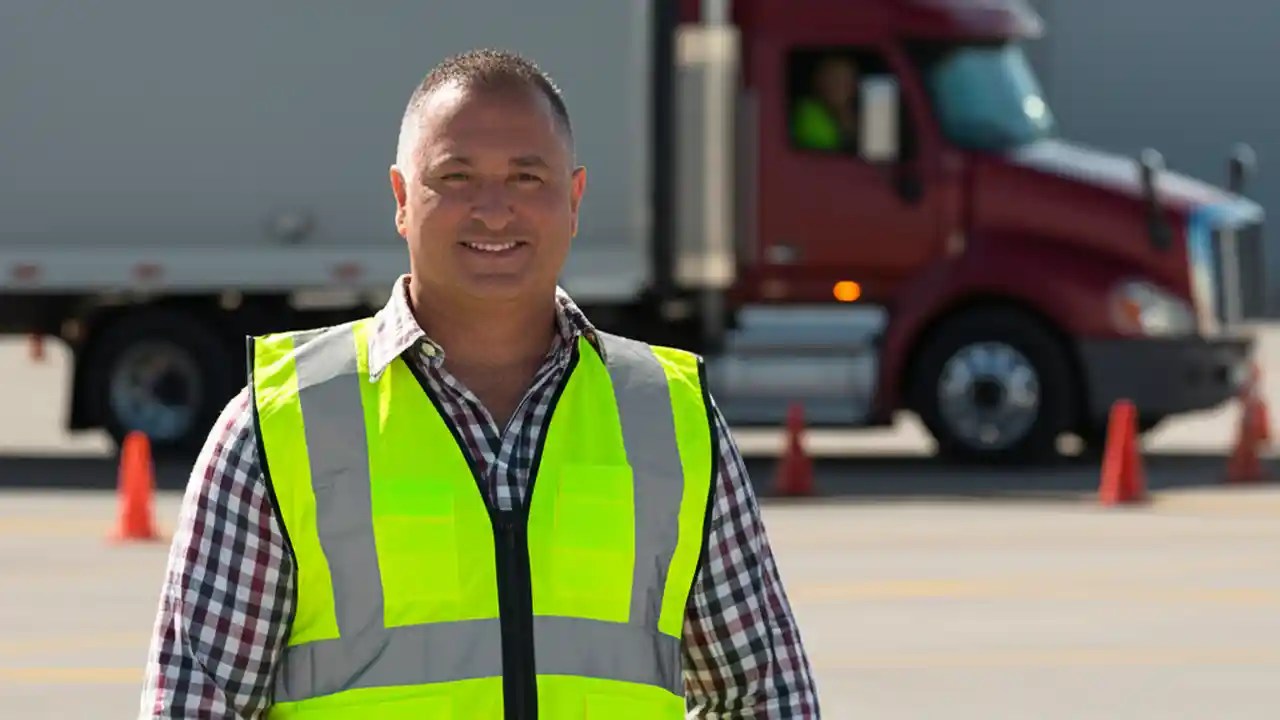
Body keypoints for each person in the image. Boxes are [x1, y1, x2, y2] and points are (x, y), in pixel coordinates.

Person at [138, 48, 819, 718]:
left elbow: (764, 695)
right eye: (455, 178)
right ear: (402, 199)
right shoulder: (279, 422)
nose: (494, 212)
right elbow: (198, 701)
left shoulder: (671, 419)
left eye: (527, 179)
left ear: (574, 199)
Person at [792, 55, 860, 152]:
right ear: (818, 82)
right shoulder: (807, 114)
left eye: (846, 79)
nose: (840, 87)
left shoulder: (859, 113)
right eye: (834, 79)